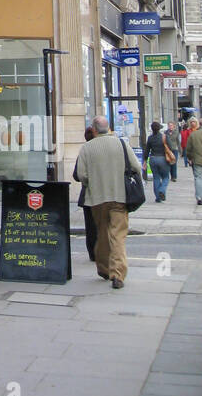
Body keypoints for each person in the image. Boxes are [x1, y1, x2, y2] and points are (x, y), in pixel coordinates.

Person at [74, 114, 143, 288]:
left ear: (94, 130)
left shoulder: (87, 148)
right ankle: (118, 274)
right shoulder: (121, 144)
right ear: (109, 128)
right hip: (120, 197)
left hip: (97, 199)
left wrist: (92, 182)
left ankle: (104, 268)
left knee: (102, 233)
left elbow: (81, 175)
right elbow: (136, 166)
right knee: (118, 235)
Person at [72, 125, 98, 262]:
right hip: (99, 194)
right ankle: (100, 251)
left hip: (87, 194)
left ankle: (92, 253)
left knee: (90, 226)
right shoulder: (98, 152)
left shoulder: (83, 152)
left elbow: (76, 175)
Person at [144, 120, 170, 202]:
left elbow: (147, 150)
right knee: (166, 177)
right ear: (159, 129)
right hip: (162, 158)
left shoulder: (150, 138)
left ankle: (158, 198)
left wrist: (145, 160)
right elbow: (171, 147)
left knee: (156, 178)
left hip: (153, 159)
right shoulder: (164, 137)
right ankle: (162, 190)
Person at [187, 120, 202, 207]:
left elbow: (188, 149)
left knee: (198, 178)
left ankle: (199, 197)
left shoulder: (194, 134)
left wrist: (190, 158)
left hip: (197, 160)